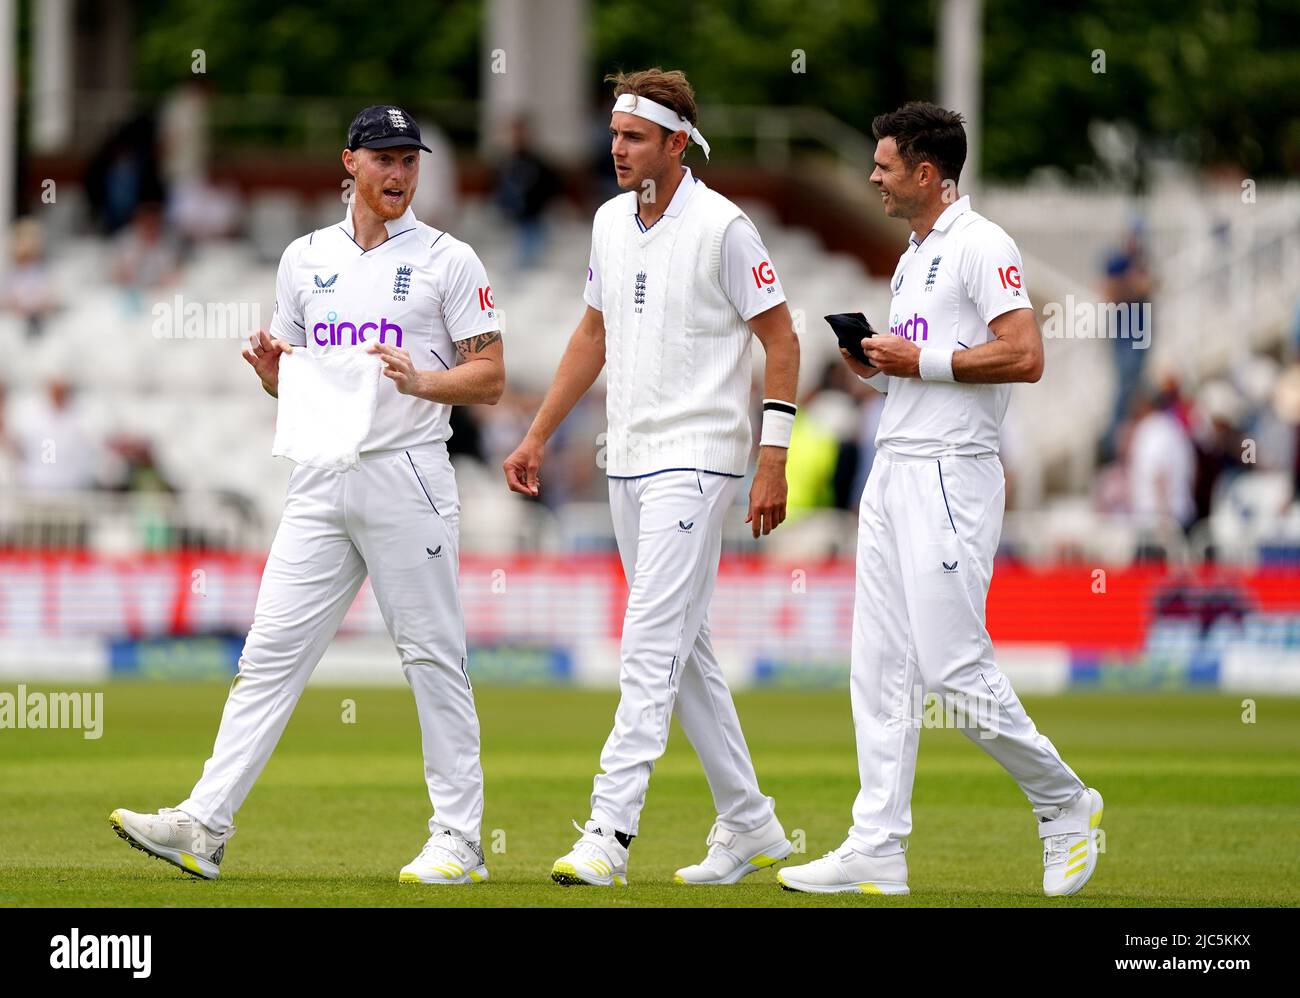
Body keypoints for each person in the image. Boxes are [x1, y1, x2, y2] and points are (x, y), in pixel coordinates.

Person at [109, 105, 505, 885]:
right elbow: (300, 384)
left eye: (410, 160)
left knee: (431, 656)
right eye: (384, 158)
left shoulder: (447, 259)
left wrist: (424, 379)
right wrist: (270, 377)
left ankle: (459, 842)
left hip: (407, 473)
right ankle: (204, 825)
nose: (399, 173)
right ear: (349, 162)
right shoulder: (303, 259)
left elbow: (490, 375)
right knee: (267, 655)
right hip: (321, 477)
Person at [778, 102, 1103, 898]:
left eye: (884, 166)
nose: (872, 178)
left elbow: (1024, 355)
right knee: (879, 666)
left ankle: (1065, 803)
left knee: (953, 669)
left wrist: (916, 360)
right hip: (895, 466)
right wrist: (876, 364)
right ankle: (876, 846)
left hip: (951, 473)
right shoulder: (913, 254)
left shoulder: (982, 242)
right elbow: (925, 364)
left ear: (927, 173)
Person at [503, 68, 801, 887]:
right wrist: (536, 434)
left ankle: (610, 832)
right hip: (625, 458)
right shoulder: (607, 221)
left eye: (633, 137)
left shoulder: (726, 227)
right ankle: (750, 822)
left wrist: (773, 455)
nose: (617, 149)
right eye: (613, 134)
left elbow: (782, 340)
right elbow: (592, 335)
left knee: (646, 643)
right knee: (685, 648)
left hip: (700, 457)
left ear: (677, 142)